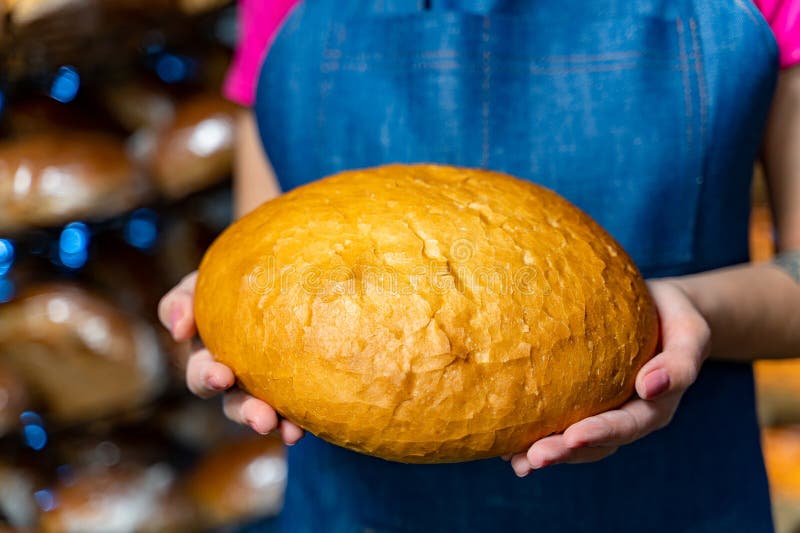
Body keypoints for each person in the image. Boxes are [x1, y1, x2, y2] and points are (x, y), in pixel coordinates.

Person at [159, 1, 800, 531]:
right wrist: (223, 327)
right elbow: (259, 251)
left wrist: (688, 312)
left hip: (677, 501)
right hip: (355, 512)